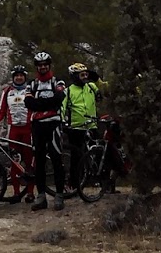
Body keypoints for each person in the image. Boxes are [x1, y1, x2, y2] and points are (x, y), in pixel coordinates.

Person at [24, 52, 67, 211]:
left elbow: (59, 98)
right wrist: (47, 105)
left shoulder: (58, 81)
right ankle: (41, 196)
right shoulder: (32, 84)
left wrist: (39, 103)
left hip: (54, 125)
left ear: (49, 65)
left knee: (56, 159)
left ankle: (59, 195)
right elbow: (28, 102)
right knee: (39, 161)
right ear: (37, 67)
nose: (42, 67)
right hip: (37, 126)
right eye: (39, 65)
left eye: (45, 64)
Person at [0, 63, 35, 203]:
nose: (19, 77)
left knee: (29, 162)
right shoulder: (7, 91)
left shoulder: (31, 90)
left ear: (25, 77)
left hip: (28, 129)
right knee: (14, 163)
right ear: (13, 77)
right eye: (16, 75)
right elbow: (1, 111)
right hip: (14, 130)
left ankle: (30, 193)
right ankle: (16, 193)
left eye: (21, 75)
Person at [63, 62, 103, 196]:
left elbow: (103, 91)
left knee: (100, 154)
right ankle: (74, 184)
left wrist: (97, 81)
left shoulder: (91, 86)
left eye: (86, 74)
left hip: (92, 125)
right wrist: (63, 122)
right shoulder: (68, 91)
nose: (85, 76)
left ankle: (105, 183)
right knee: (77, 158)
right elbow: (62, 108)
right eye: (82, 74)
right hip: (76, 128)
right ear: (75, 76)